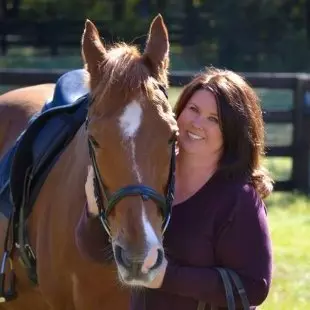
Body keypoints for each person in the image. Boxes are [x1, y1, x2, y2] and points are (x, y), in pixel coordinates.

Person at [76, 67, 273, 310]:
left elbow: (254, 286)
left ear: (232, 131)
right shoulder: (148, 176)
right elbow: (96, 253)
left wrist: (166, 277)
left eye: (214, 119)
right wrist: (94, 212)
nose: (198, 123)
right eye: (193, 109)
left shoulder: (238, 198)